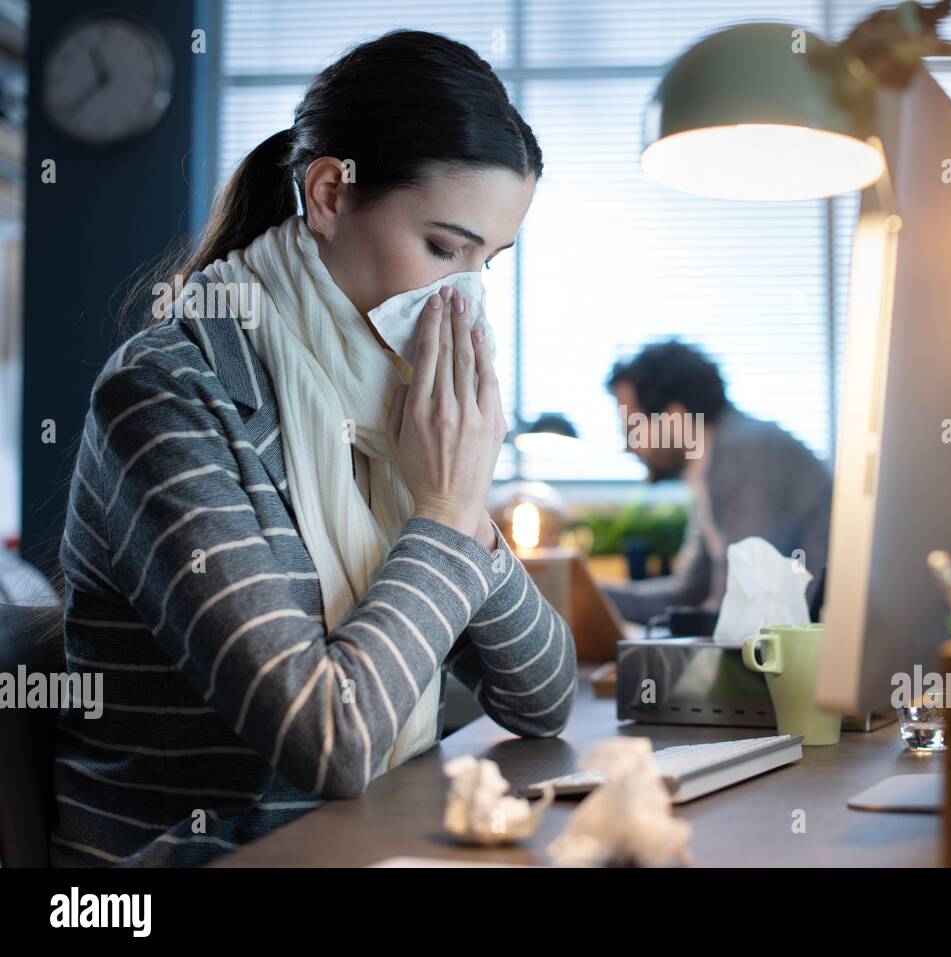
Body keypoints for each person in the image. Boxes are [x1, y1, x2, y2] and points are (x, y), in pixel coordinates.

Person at [50, 31, 575, 867]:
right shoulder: (167, 393)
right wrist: (441, 509)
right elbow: (329, 742)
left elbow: (545, 697)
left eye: (489, 263)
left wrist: (462, 503)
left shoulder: (390, 402)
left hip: (375, 843)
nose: (466, 299)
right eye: (444, 248)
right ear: (329, 194)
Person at [603, 340, 833, 624]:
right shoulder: (711, 465)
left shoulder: (748, 452)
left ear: (674, 418)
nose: (628, 446)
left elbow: (742, 606)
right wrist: (588, 595)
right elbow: (689, 594)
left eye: (632, 428)